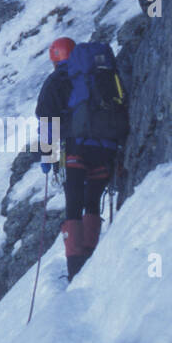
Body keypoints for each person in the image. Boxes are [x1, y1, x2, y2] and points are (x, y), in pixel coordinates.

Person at [35, 37, 124, 280]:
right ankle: (91, 258)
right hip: (106, 147)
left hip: (75, 149)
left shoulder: (55, 82)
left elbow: (47, 122)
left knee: (74, 205)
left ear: (55, 60)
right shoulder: (97, 74)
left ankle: (76, 268)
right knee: (92, 200)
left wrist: (48, 157)